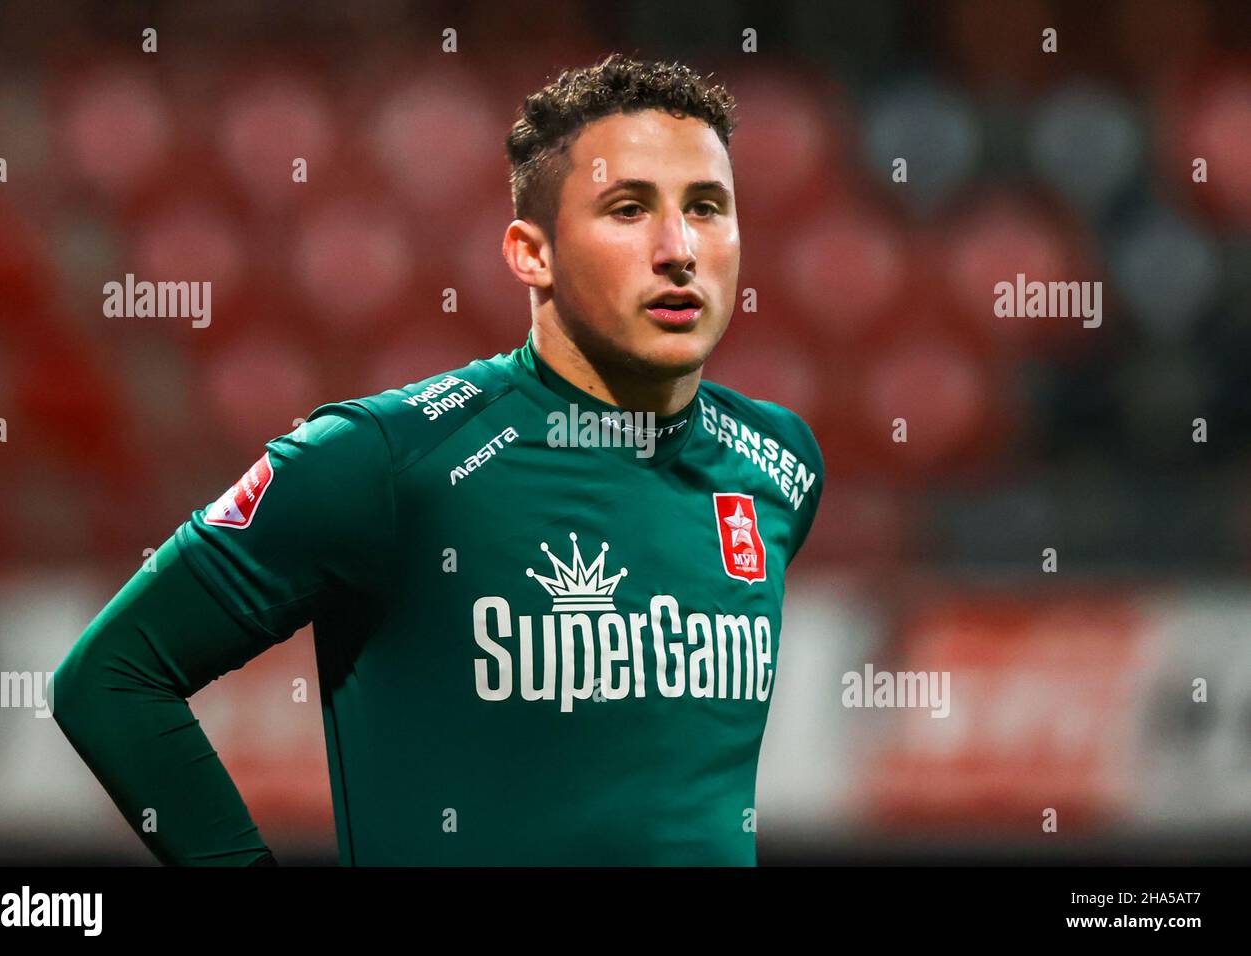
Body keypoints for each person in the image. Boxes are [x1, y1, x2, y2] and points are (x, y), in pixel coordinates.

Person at [53, 53, 824, 866]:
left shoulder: (778, 464)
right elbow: (109, 681)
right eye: (628, 209)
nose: (679, 249)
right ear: (534, 253)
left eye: (706, 208)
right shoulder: (387, 461)